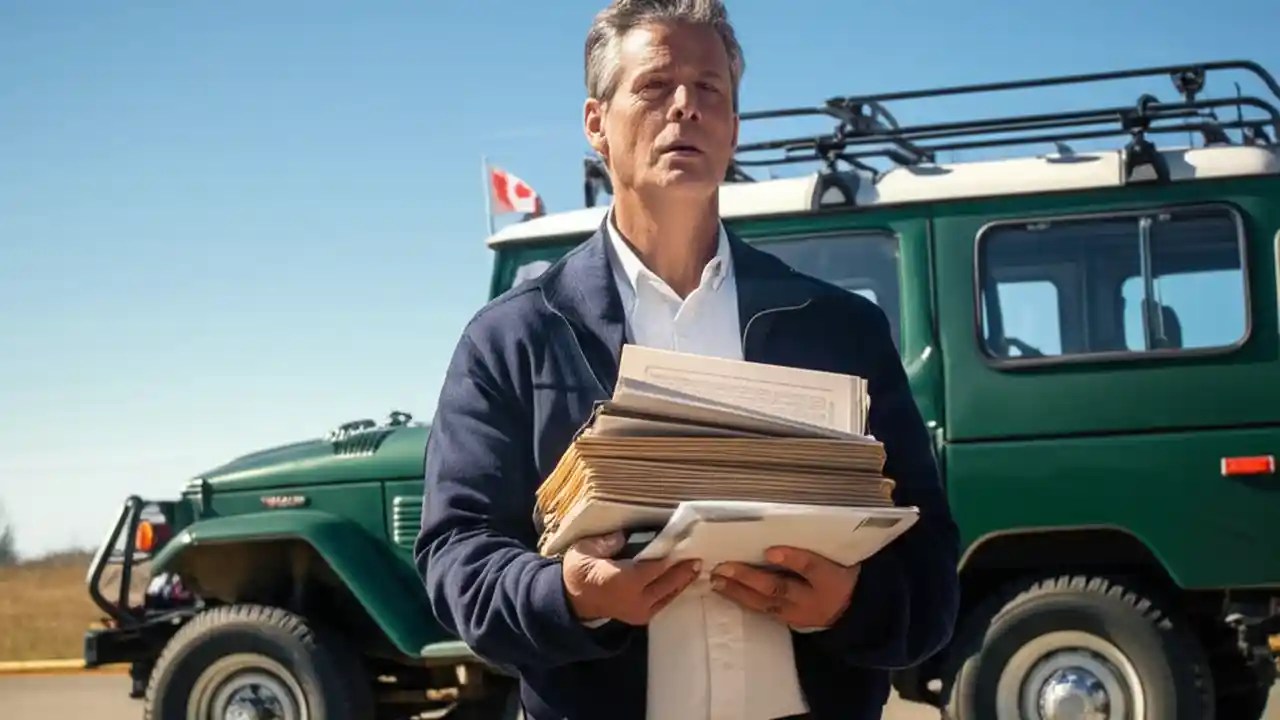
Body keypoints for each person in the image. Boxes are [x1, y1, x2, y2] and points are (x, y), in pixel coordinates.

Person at [414, 1, 961, 718]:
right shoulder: (512, 339)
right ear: (595, 125)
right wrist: (569, 596)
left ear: (733, 127)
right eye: (655, 86)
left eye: (710, 91)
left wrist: (851, 603)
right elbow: (458, 553)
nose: (686, 109)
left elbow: (929, 561)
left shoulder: (841, 331)